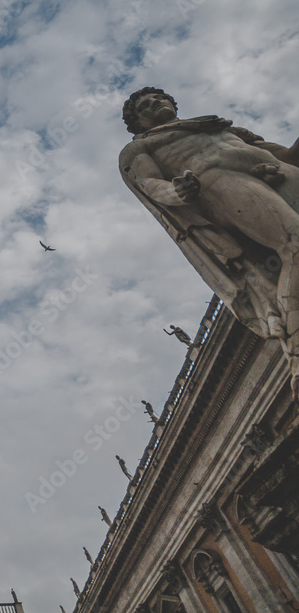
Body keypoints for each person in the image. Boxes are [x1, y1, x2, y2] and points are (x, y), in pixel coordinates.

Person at [119, 87, 299, 394]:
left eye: (159, 98)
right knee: (294, 244)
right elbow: (151, 184)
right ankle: (296, 352)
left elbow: (282, 153)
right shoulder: (139, 148)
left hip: (275, 171)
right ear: (137, 121)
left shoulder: (217, 126)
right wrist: (178, 192)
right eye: (145, 105)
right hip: (220, 182)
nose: (155, 103)